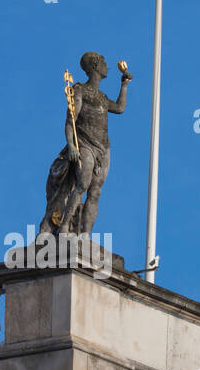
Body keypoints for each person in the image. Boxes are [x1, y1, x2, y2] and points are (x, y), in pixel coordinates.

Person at [39, 51, 131, 237]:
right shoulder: (79, 89)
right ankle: (64, 226)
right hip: (85, 143)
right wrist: (72, 145)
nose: (107, 66)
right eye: (104, 62)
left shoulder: (103, 98)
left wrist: (124, 86)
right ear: (95, 66)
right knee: (82, 184)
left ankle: (86, 233)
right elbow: (70, 120)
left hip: (103, 147)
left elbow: (120, 108)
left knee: (95, 191)